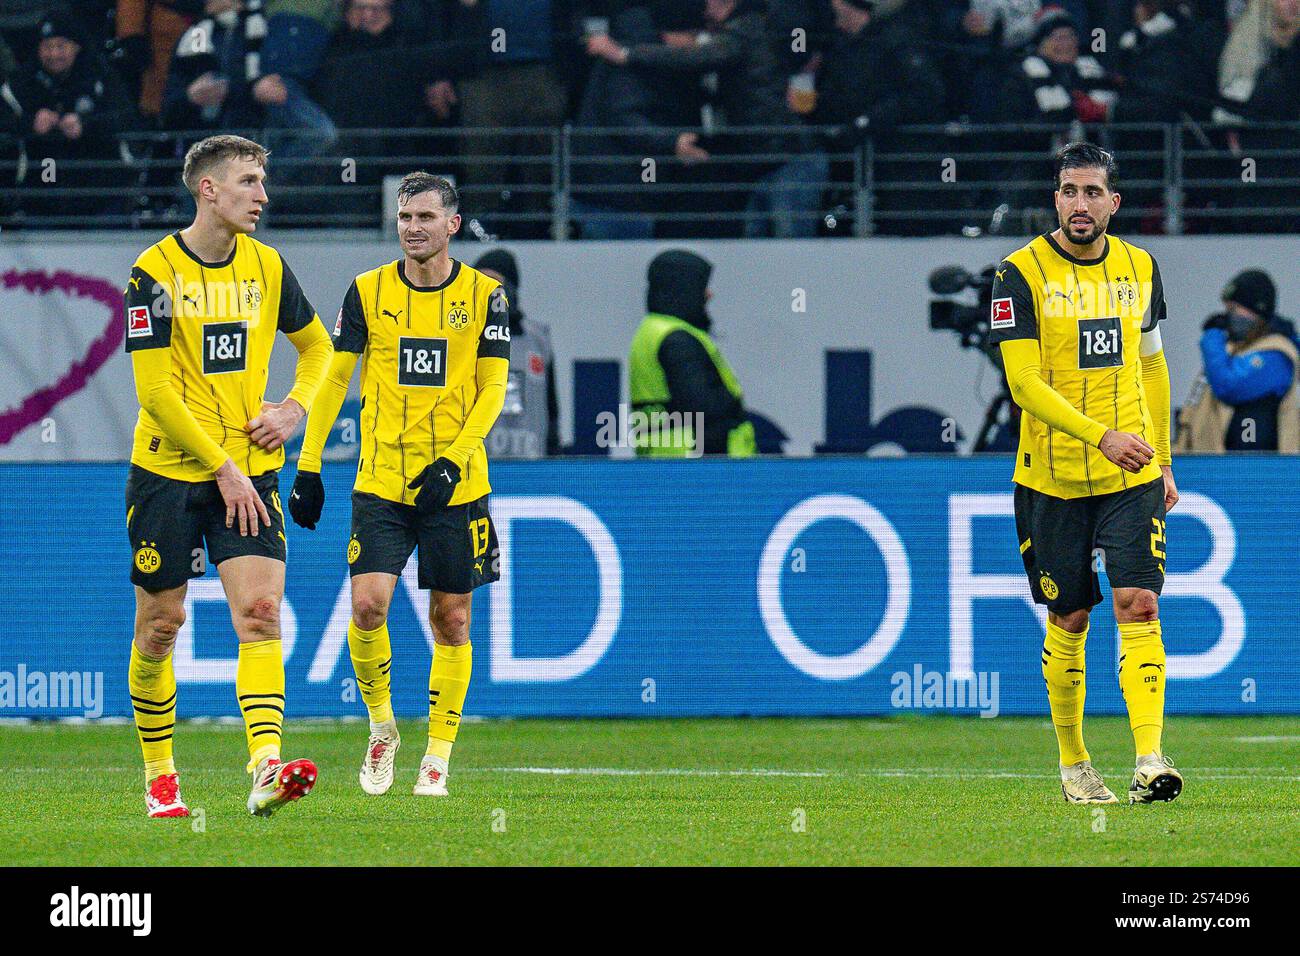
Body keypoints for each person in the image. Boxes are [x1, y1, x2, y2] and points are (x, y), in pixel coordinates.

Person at [122, 134, 333, 818]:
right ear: (207, 189)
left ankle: (266, 767)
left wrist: (296, 408)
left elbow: (318, 349)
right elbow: (154, 393)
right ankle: (161, 776)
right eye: (248, 182)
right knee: (162, 624)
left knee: (261, 616)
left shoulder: (269, 268)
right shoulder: (152, 274)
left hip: (252, 473)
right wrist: (222, 469)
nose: (262, 196)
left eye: (262, 183)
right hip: (170, 474)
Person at [288, 173, 510, 798]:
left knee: (452, 619)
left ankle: (437, 758)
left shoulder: (485, 297)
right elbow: (334, 382)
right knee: (367, 606)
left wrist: (454, 461)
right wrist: (307, 466)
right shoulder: (366, 292)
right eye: (404, 216)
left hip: (455, 486)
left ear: (452, 225)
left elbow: (493, 389)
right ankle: (382, 728)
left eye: (424, 217)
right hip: (381, 481)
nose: (412, 227)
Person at [990, 142, 1182, 806]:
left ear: (1114, 202)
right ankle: (1075, 767)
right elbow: (1022, 384)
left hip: (1131, 475)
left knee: (1141, 603)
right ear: (1056, 199)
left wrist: (1161, 458)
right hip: (1053, 479)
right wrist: (1102, 437)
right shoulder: (1018, 275)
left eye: (1093, 192)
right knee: (1069, 616)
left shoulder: (1140, 267)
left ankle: (1150, 760)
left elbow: (1153, 365)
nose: (1080, 204)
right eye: (1069, 191)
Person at [628, 249, 756, 456]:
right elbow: (703, 407)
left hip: (669, 458)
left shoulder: (653, 331)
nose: (709, 294)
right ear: (683, 289)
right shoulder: (675, 338)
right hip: (695, 465)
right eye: (702, 287)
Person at [1177, 269, 1299, 451]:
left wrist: (1213, 338)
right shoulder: (1238, 348)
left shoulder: (1277, 353)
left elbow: (1229, 385)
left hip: (1259, 471)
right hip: (1212, 466)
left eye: (1234, 309)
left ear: (1256, 309)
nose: (1229, 316)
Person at [474, 248, 560, 458]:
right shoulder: (467, 339)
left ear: (510, 287)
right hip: (481, 463)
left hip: (531, 459)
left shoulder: (538, 340)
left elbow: (551, 406)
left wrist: (554, 450)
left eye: (494, 283)